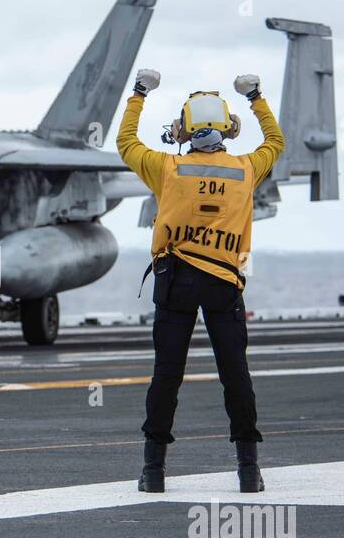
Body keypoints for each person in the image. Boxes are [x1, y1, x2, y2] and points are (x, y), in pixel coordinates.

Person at [116, 69, 285, 493]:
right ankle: (249, 470)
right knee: (235, 374)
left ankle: (153, 471)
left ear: (184, 128)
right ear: (228, 128)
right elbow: (275, 142)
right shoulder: (246, 169)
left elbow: (126, 142)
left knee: (167, 375)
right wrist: (256, 96)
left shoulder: (167, 167)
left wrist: (139, 93)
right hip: (225, 284)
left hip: (176, 282)